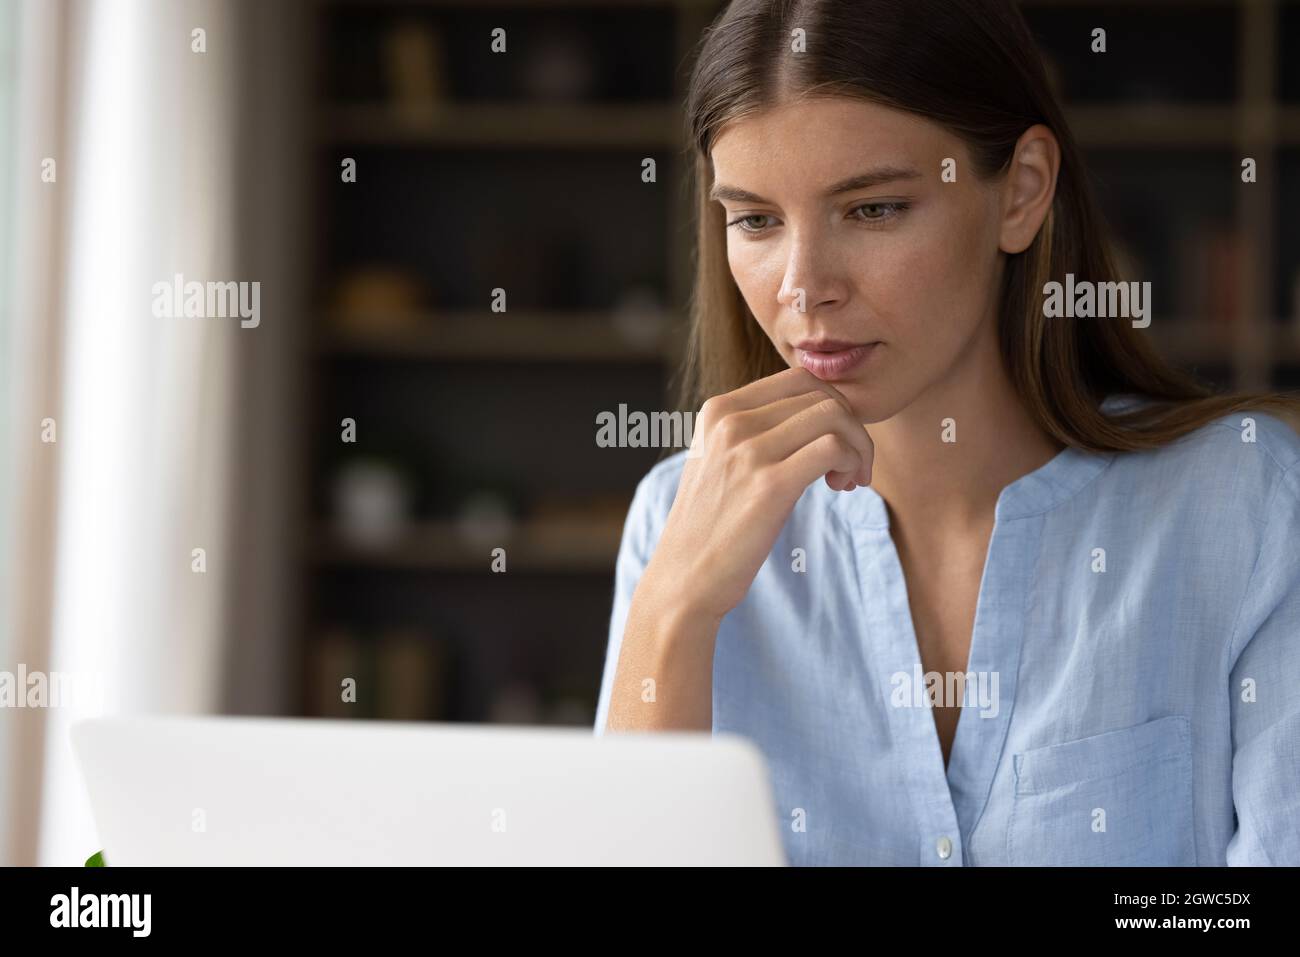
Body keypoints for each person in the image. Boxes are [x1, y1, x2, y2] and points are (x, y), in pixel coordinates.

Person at [594, 0, 1300, 866]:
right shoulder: (674, 514)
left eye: (875, 209)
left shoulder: (1245, 503)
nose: (804, 287)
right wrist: (673, 612)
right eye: (757, 219)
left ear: (1022, 192)